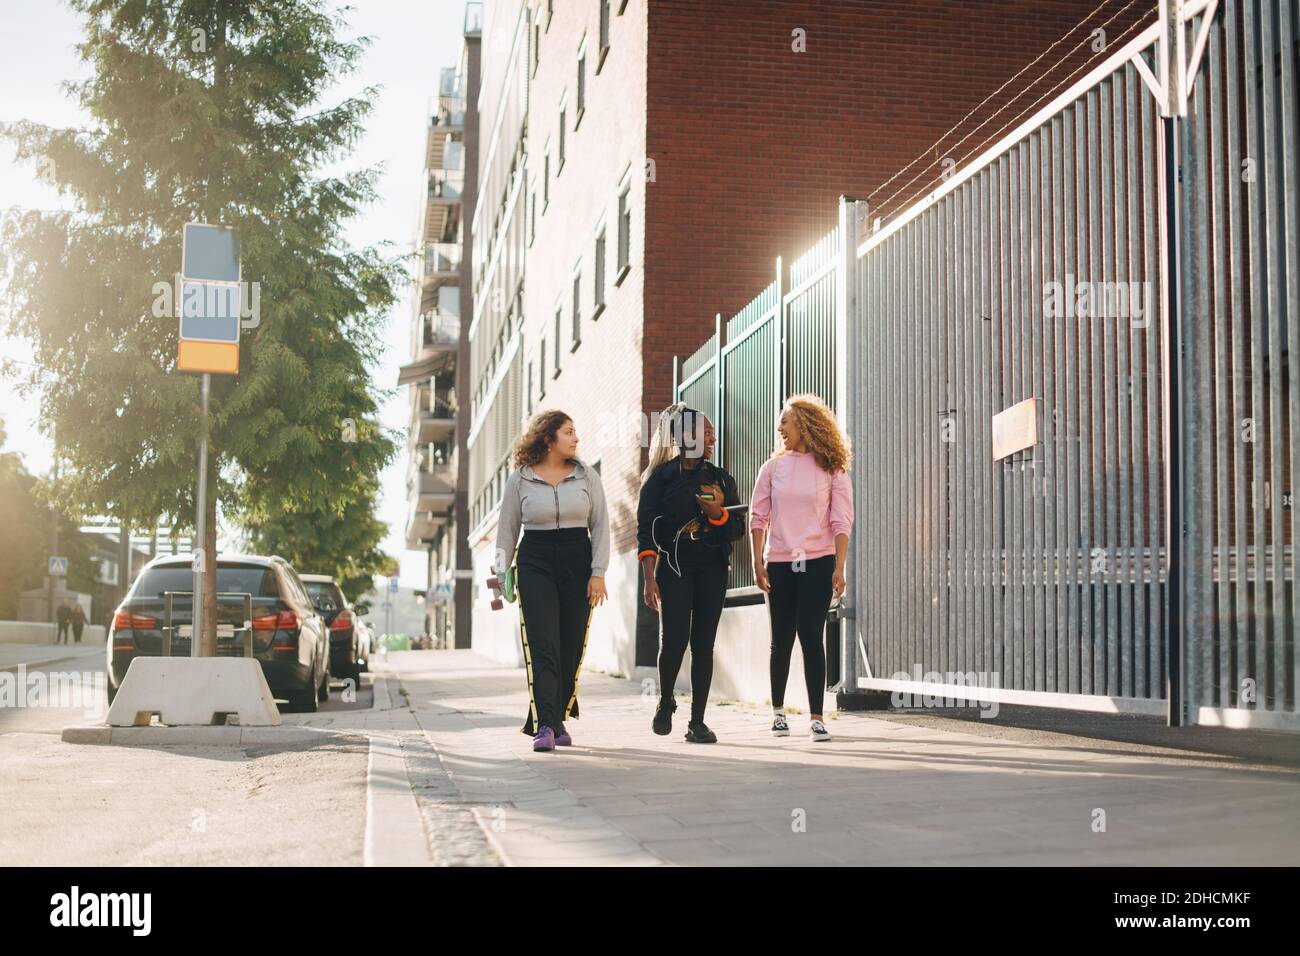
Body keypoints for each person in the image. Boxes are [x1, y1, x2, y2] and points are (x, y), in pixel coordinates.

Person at [492, 409, 610, 752]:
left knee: (571, 643)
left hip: (577, 556)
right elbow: (506, 532)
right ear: (549, 438)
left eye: (576, 432)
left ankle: (556, 716)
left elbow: (601, 525)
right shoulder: (521, 479)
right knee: (544, 644)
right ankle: (545, 724)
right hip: (535, 559)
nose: (576, 438)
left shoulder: (587, 475)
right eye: (569, 432)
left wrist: (598, 573)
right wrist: (502, 577)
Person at [637, 403, 745, 743]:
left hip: (712, 566)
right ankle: (666, 700)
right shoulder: (660, 479)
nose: (712, 438)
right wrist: (649, 577)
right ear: (686, 436)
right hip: (673, 567)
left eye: (713, 433)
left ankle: (697, 722)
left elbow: (738, 528)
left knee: (704, 645)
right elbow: (646, 530)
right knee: (674, 642)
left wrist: (717, 514)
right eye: (706, 432)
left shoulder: (720, 477)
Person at [750, 394, 854, 742]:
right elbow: (757, 516)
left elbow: (842, 521)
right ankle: (778, 713)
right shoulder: (773, 468)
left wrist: (839, 568)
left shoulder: (832, 469)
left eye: (785, 421)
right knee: (781, 639)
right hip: (779, 562)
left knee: (811, 634)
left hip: (819, 561)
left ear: (804, 425)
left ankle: (816, 717)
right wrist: (757, 559)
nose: (780, 427)